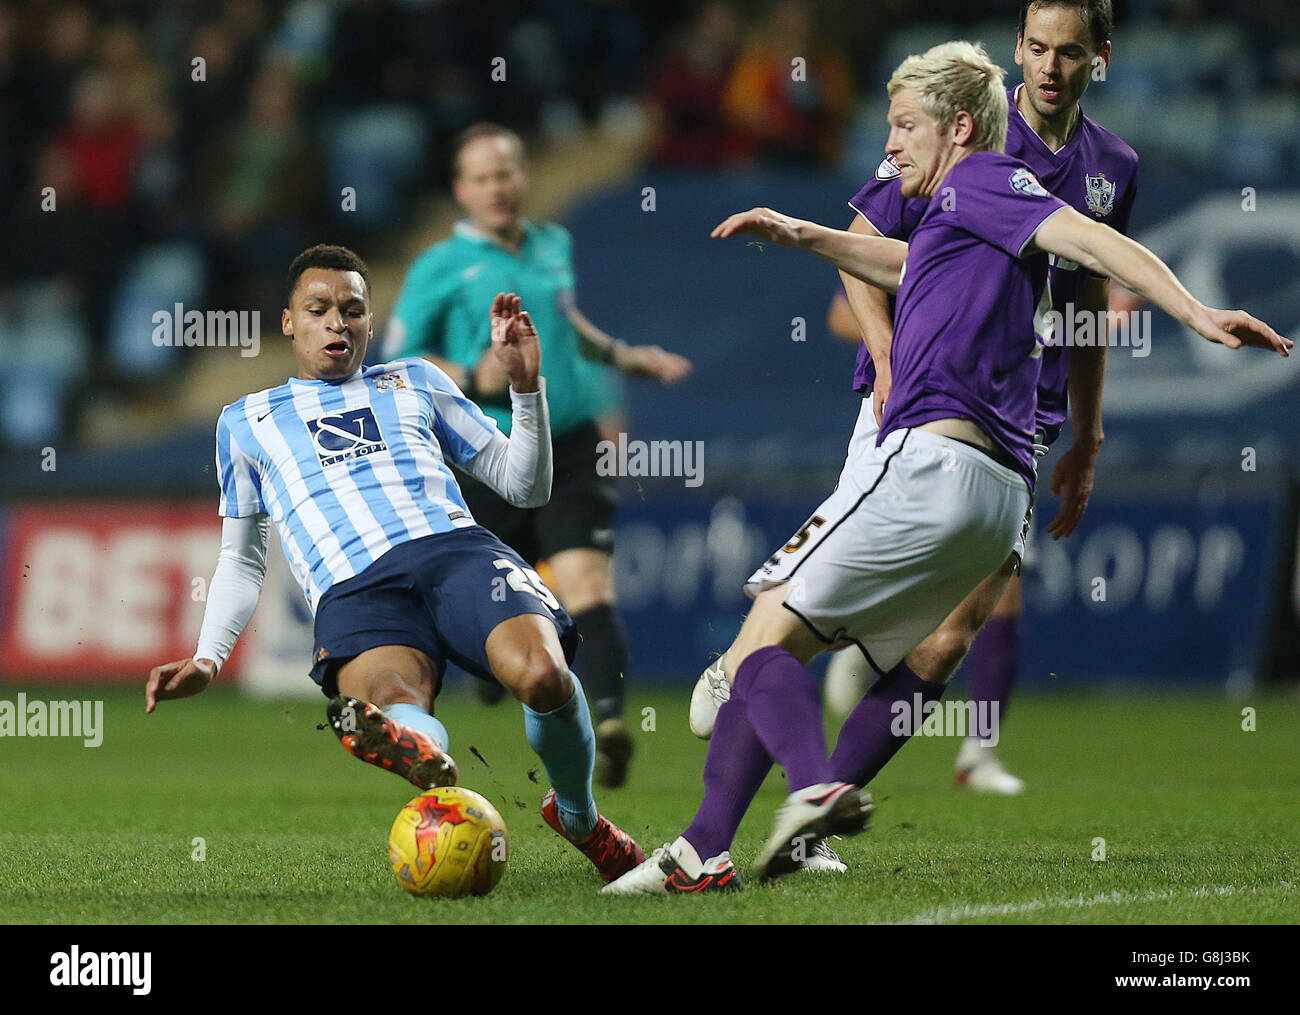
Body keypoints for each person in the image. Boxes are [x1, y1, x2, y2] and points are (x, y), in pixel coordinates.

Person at [605, 40, 1288, 894]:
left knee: (756, 649)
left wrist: (1194, 309)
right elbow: (905, 260)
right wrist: (800, 231)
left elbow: (1096, 240)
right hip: (997, 499)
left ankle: (804, 792)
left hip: (931, 461)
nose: (888, 147)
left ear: (959, 127)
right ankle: (713, 846)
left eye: (904, 127)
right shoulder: (962, 213)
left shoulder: (983, 180)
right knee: (898, 644)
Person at [145, 244, 644, 884]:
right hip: (355, 588)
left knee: (545, 676)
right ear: (289, 321)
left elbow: (525, 487)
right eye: (319, 309)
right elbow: (242, 560)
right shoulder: (245, 422)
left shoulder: (416, 381)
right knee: (388, 697)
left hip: (456, 552)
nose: (337, 323)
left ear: (370, 324)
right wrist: (209, 656)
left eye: (352, 310)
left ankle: (578, 817)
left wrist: (524, 388)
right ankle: (417, 750)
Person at [812, 0, 1139, 795]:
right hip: (925, 406)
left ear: (1101, 56)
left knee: (954, 632)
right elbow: (859, 236)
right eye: (1036, 48)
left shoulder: (1114, 167)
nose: (1050, 68)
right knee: (830, 598)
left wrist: (1087, 436)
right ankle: (768, 678)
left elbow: (1090, 302)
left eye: (1069, 51)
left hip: (1023, 424)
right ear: (1018, 48)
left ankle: (823, 799)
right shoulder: (972, 131)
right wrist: (886, 352)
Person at [385, 123, 691, 789]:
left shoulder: (554, 243)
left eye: (507, 173)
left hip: (569, 442)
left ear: (524, 178)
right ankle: (493, 679)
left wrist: (622, 359)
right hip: (488, 453)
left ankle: (608, 721)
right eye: (482, 178)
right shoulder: (439, 266)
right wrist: (470, 375)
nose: (497, 187)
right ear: (462, 190)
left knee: (587, 585)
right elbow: (395, 356)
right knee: (486, 601)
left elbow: (564, 326)